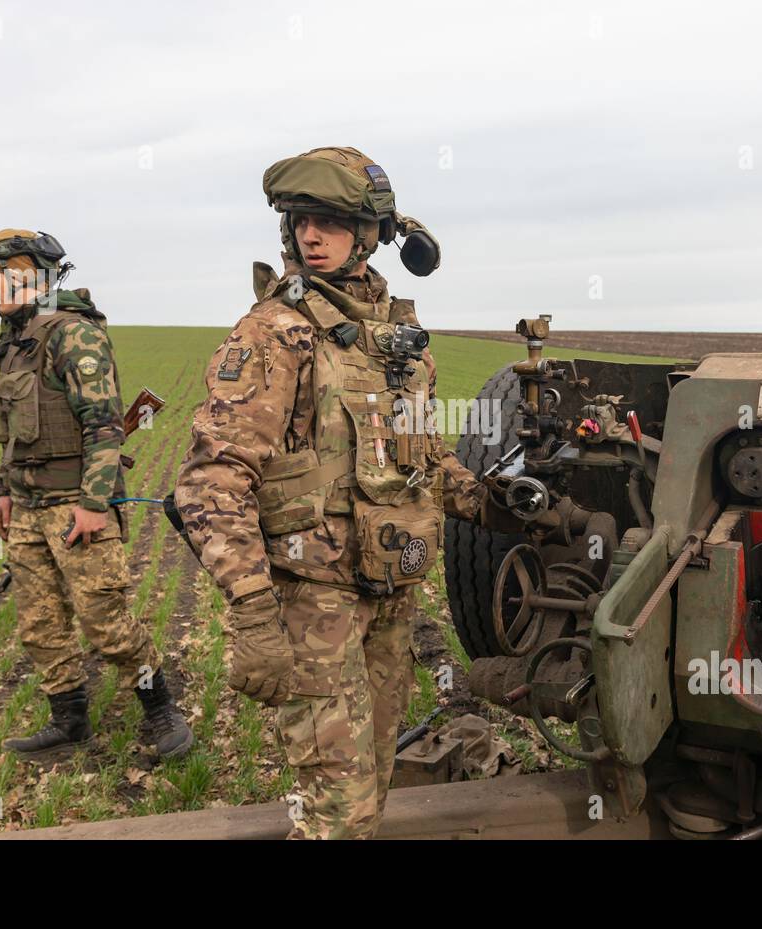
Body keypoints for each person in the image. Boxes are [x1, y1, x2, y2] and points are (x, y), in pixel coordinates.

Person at [175, 148, 513, 837]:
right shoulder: (276, 333)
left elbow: (420, 456)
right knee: (339, 809)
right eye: (300, 221)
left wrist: (492, 502)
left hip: (389, 592)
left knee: (376, 782)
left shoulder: (399, 339)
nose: (309, 236)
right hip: (312, 601)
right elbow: (213, 480)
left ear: (370, 233)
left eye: (329, 221)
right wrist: (252, 611)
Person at [0, 229, 192, 760]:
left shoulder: (73, 335)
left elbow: (104, 427)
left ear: (30, 274)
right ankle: (69, 721)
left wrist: (94, 505)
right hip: (26, 508)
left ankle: (160, 710)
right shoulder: (14, 340)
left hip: (74, 507)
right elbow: (15, 431)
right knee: (40, 625)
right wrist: (4, 493)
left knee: (106, 622)